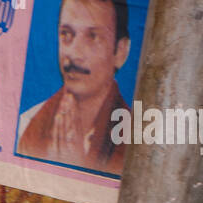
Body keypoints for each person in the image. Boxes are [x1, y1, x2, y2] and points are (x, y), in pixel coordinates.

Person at [17, 0, 131, 174]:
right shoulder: (27, 126)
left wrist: (78, 164)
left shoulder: (137, 142)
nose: (74, 53)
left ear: (120, 52)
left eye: (93, 37)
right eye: (66, 34)